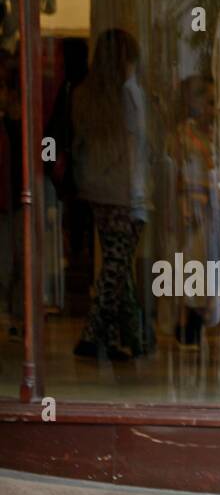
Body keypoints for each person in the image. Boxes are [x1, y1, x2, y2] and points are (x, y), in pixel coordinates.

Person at [70, 29, 148, 360]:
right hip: (123, 190)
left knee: (119, 265)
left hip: (96, 189)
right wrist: (139, 195)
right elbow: (136, 146)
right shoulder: (128, 95)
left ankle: (130, 338)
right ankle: (91, 336)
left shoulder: (85, 93)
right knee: (116, 264)